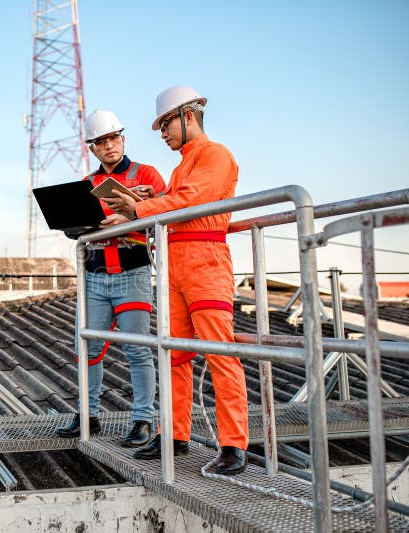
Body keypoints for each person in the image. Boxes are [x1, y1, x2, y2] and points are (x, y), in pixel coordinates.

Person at [102, 87, 249, 475]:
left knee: (219, 353)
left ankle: (233, 445)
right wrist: (151, 197)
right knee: (174, 355)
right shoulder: (182, 166)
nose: (162, 133)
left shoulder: (215, 154)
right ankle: (175, 435)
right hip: (174, 265)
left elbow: (192, 200)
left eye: (165, 124)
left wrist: (139, 207)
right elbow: (180, 196)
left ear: (188, 116)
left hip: (205, 263)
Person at [55, 110, 166, 447]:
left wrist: (135, 211)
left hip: (132, 273)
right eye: (100, 142)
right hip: (94, 274)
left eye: (112, 138)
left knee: (138, 349)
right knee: (86, 348)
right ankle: (87, 414)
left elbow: (170, 214)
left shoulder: (147, 174)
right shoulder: (86, 186)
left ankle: (143, 420)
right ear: (92, 148)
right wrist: (75, 226)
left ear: (123, 138)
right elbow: (74, 230)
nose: (108, 146)